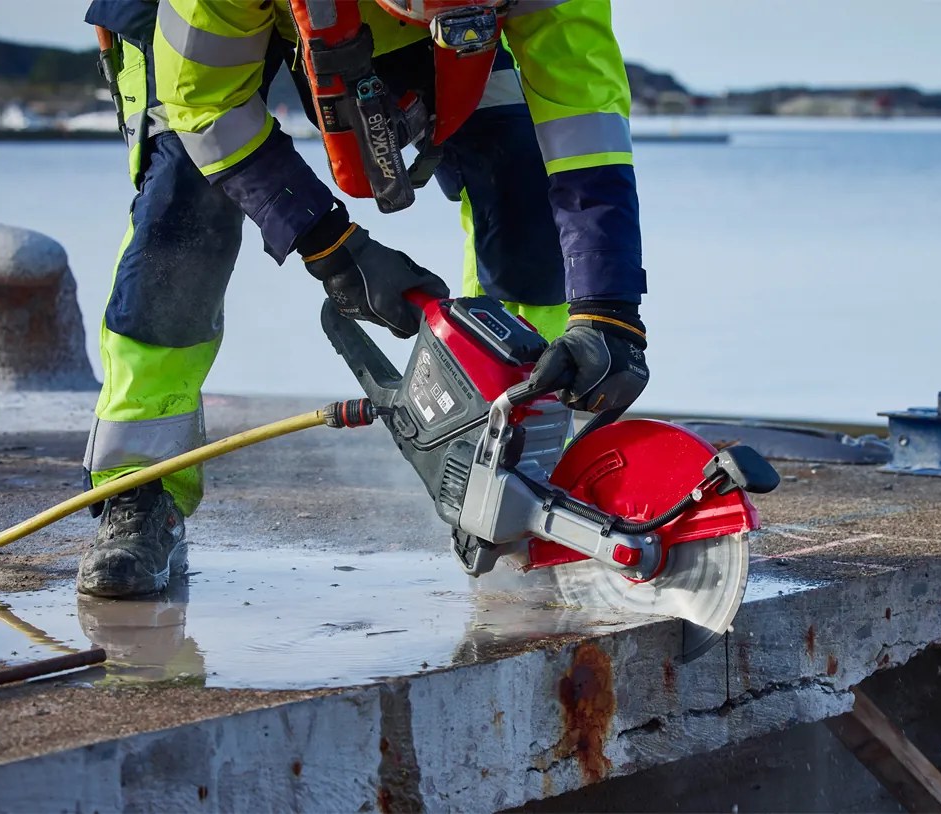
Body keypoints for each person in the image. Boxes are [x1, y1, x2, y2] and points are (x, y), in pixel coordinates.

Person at [77, 0, 649, 599]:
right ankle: (139, 487)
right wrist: (328, 244)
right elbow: (204, 106)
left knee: (521, 173)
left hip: (425, 28)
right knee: (182, 209)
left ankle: (516, 467)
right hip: (194, 33)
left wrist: (607, 307)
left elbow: (585, 120)